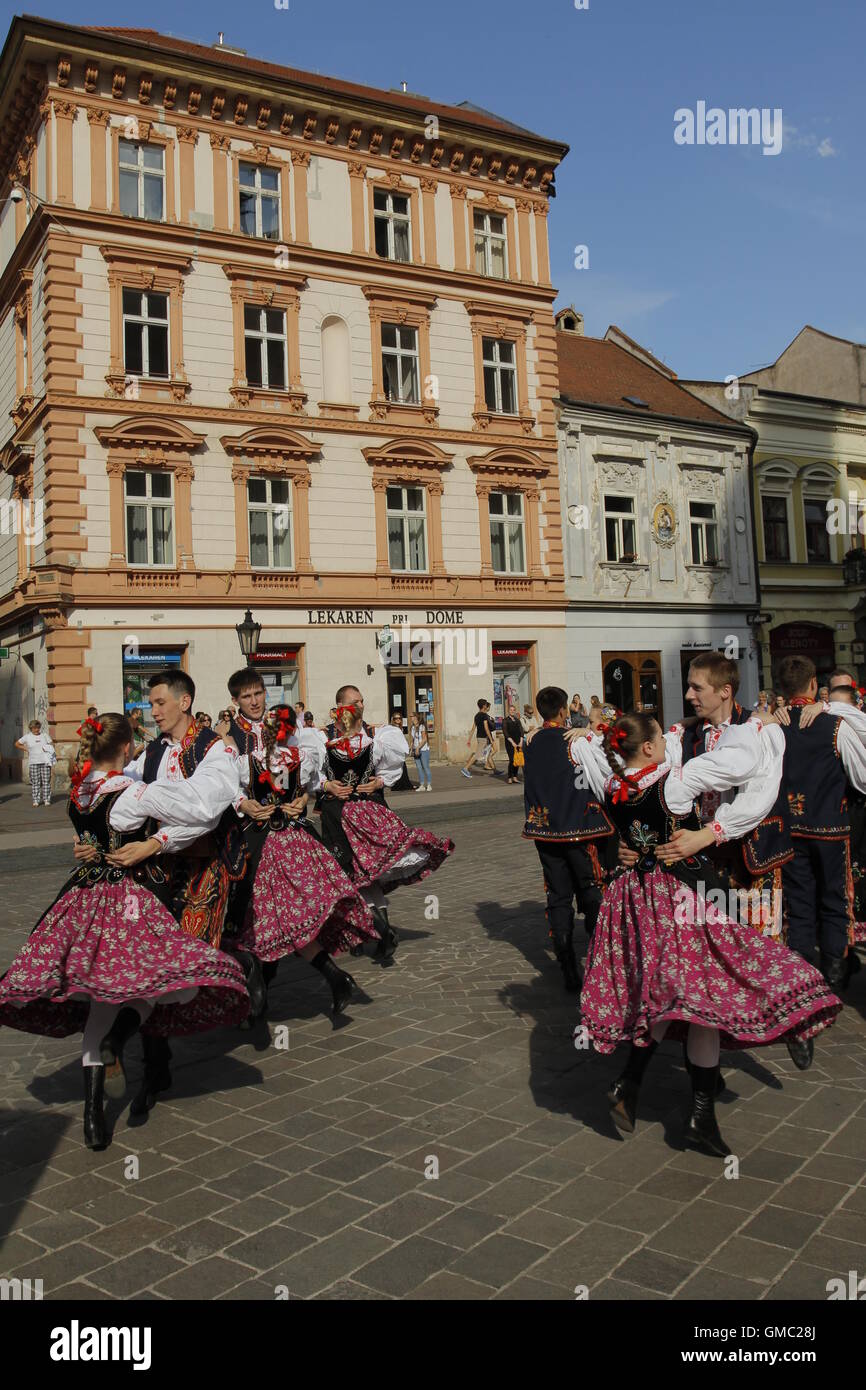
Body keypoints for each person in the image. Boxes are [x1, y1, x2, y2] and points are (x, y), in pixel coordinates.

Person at [577, 712, 841, 1155]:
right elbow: (735, 763)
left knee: (678, 997)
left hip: (635, 900)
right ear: (648, 748)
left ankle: (640, 1088)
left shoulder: (612, 782)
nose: (668, 740)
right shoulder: (673, 782)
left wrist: (589, 733)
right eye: (661, 737)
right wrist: (763, 730)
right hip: (682, 897)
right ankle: (685, 1109)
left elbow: (596, 764)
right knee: (706, 987)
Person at [0, 713, 248, 1150]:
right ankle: (121, 1039)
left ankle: (93, 1117)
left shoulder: (79, 790)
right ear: (124, 748)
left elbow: (88, 835)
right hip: (128, 898)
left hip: (82, 897)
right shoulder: (130, 791)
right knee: (161, 983)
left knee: (99, 998)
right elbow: (193, 809)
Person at [109, 669, 252, 1113]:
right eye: (150, 704)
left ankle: (241, 961)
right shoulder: (151, 753)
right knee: (151, 960)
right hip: (158, 870)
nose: (151, 711)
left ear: (184, 701)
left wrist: (150, 816)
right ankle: (155, 1063)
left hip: (204, 868)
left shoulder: (215, 749)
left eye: (158, 702)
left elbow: (202, 810)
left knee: (178, 964)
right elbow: (116, 799)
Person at [228, 701, 380, 1020]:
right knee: (290, 913)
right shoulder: (304, 758)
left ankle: (259, 994)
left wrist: (246, 804)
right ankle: (328, 978)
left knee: (260, 913)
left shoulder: (249, 761)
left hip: (262, 839)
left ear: (264, 733)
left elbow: (231, 792)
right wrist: (300, 799)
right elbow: (310, 787)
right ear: (293, 731)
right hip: (297, 839)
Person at [318, 684, 454, 958]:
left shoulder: (375, 735)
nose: (360, 706)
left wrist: (378, 781)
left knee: (362, 875)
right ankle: (374, 931)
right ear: (340, 706)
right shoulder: (324, 738)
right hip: (338, 815)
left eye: (361, 701)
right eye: (355, 702)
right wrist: (327, 786)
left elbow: (387, 771)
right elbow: (312, 778)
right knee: (355, 876)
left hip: (369, 811)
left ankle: (377, 929)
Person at [772, 656, 866, 1030]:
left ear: (781, 689)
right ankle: (830, 978)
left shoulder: (770, 729)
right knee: (833, 902)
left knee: (799, 904)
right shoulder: (834, 726)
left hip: (789, 829)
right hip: (829, 829)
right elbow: (862, 777)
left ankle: (803, 980)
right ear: (813, 686)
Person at [522, 687, 615, 991]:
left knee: (558, 895)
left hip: (544, 830)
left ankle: (566, 963)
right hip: (580, 828)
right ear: (563, 711)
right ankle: (600, 957)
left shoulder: (530, 740)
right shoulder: (575, 742)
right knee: (590, 889)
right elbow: (603, 777)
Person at [17, 719, 55, 807]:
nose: (36, 729)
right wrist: (26, 749)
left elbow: (51, 744)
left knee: (46, 781)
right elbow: (17, 744)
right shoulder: (27, 737)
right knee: (35, 782)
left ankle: (46, 799)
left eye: (38, 727)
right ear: (31, 728)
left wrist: (49, 750)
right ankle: (36, 800)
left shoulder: (44, 735)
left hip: (45, 762)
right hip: (33, 762)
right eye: (34, 728)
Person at [462, 699, 498, 778]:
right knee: (477, 754)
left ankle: (495, 770)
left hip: (479, 737)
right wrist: (491, 739)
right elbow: (486, 728)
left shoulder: (477, 715)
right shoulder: (484, 715)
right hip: (483, 738)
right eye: (485, 704)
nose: (486, 705)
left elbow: (473, 728)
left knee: (488, 752)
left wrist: (469, 740)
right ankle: (465, 768)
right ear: (484, 706)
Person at [389, 712, 415, 790]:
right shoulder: (391, 728)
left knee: (402, 767)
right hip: (395, 750)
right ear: (393, 720)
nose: (398, 720)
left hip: (400, 751)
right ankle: (397, 786)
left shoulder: (401, 728)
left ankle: (404, 784)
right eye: (396, 718)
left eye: (399, 718)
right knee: (398, 768)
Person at [409, 710, 432, 791]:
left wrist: (418, 748)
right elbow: (412, 739)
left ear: (416, 717)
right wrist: (411, 748)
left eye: (411, 716)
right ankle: (422, 785)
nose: (410, 718)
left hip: (423, 749)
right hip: (416, 750)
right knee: (419, 768)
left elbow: (425, 739)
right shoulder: (412, 727)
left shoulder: (422, 726)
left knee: (425, 767)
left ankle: (429, 784)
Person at [503, 704, 524, 784]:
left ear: (515, 711)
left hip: (518, 742)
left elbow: (521, 731)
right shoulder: (505, 720)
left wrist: (521, 742)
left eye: (513, 710)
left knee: (517, 760)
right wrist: (512, 743)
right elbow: (505, 733)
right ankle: (509, 777)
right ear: (508, 711)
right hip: (510, 743)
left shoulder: (517, 720)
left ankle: (515, 776)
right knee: (512, 760)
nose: (512, 711)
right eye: (511, 710)